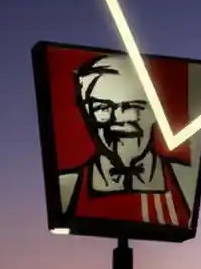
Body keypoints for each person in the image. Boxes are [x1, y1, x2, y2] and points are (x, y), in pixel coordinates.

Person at [57, 53, 192, 228]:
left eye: (134, 106)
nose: (119, 119)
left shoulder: (184, 181)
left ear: (154, 113)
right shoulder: (65, 188)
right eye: (103, 107)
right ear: (87, 113)